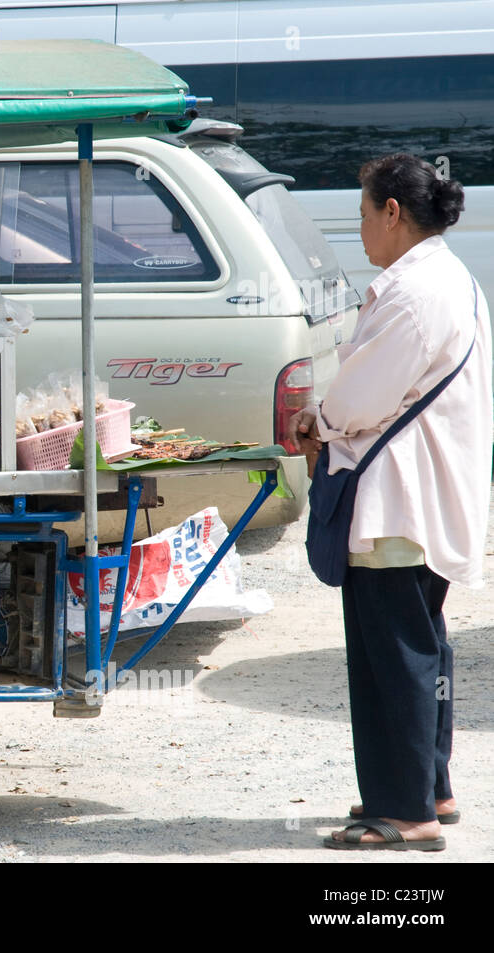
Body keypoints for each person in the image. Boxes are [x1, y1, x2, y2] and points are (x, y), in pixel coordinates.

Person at [290, 154, 492, 851]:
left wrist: (315, 417)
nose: (361, 232)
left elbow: (359, 398)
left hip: (397, 500)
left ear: (392, 212)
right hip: (429, 496)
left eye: (362, 215)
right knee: (422, 644)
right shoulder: (450, 278)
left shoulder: (411, 292)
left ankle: (406, 810)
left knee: (393, 656)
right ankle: (427, 784)